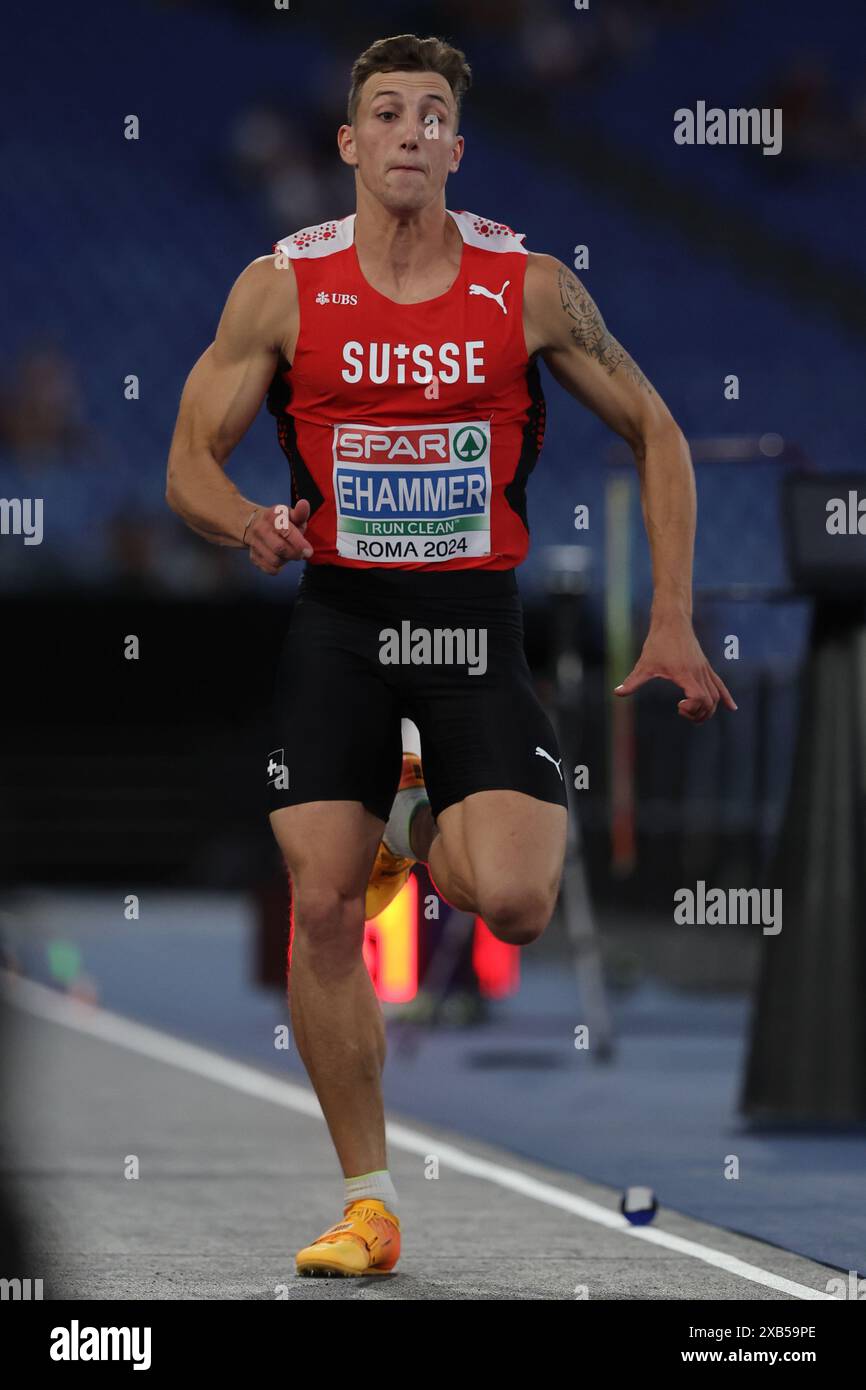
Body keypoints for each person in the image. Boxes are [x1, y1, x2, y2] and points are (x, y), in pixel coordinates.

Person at [165, 32, 735, 1279]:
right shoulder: (279, 287)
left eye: (433, 113)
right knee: (320, 902)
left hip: (474, 624)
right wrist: (246, 521)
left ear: (456, 149)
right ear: (350, 144)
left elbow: (657, 430)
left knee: (517, 902)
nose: (411, 129)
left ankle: (412, 821)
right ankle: (368, 1200)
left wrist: (674, 615)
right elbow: (187, 462)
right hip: (341, 623)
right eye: (387, 110)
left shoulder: (524, 286)